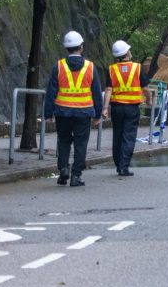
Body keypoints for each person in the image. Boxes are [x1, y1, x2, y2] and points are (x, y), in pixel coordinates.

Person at [44, 30, 103, 187]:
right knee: (80, 144)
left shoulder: (59, 66)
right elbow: (97, 93)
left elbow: (51, 92)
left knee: (63, 141)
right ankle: (76, 176)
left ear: (66, 48)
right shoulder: (90, 67)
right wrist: (98, 114)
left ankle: (63, 169)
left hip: (63, 112)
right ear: (81, 47)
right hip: (83, 113)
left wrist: (48, 113)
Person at [102, 40, 148, 177]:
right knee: (129, 136)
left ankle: (118, 165)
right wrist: (150, 99)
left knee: (118, 135)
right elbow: (145, 88)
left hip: (116, 108)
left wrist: (105, 108)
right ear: (127, 53)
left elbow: (108, 89)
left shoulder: (111, 69)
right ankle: (124, 166)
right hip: (132, 108)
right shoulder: (137, 68)